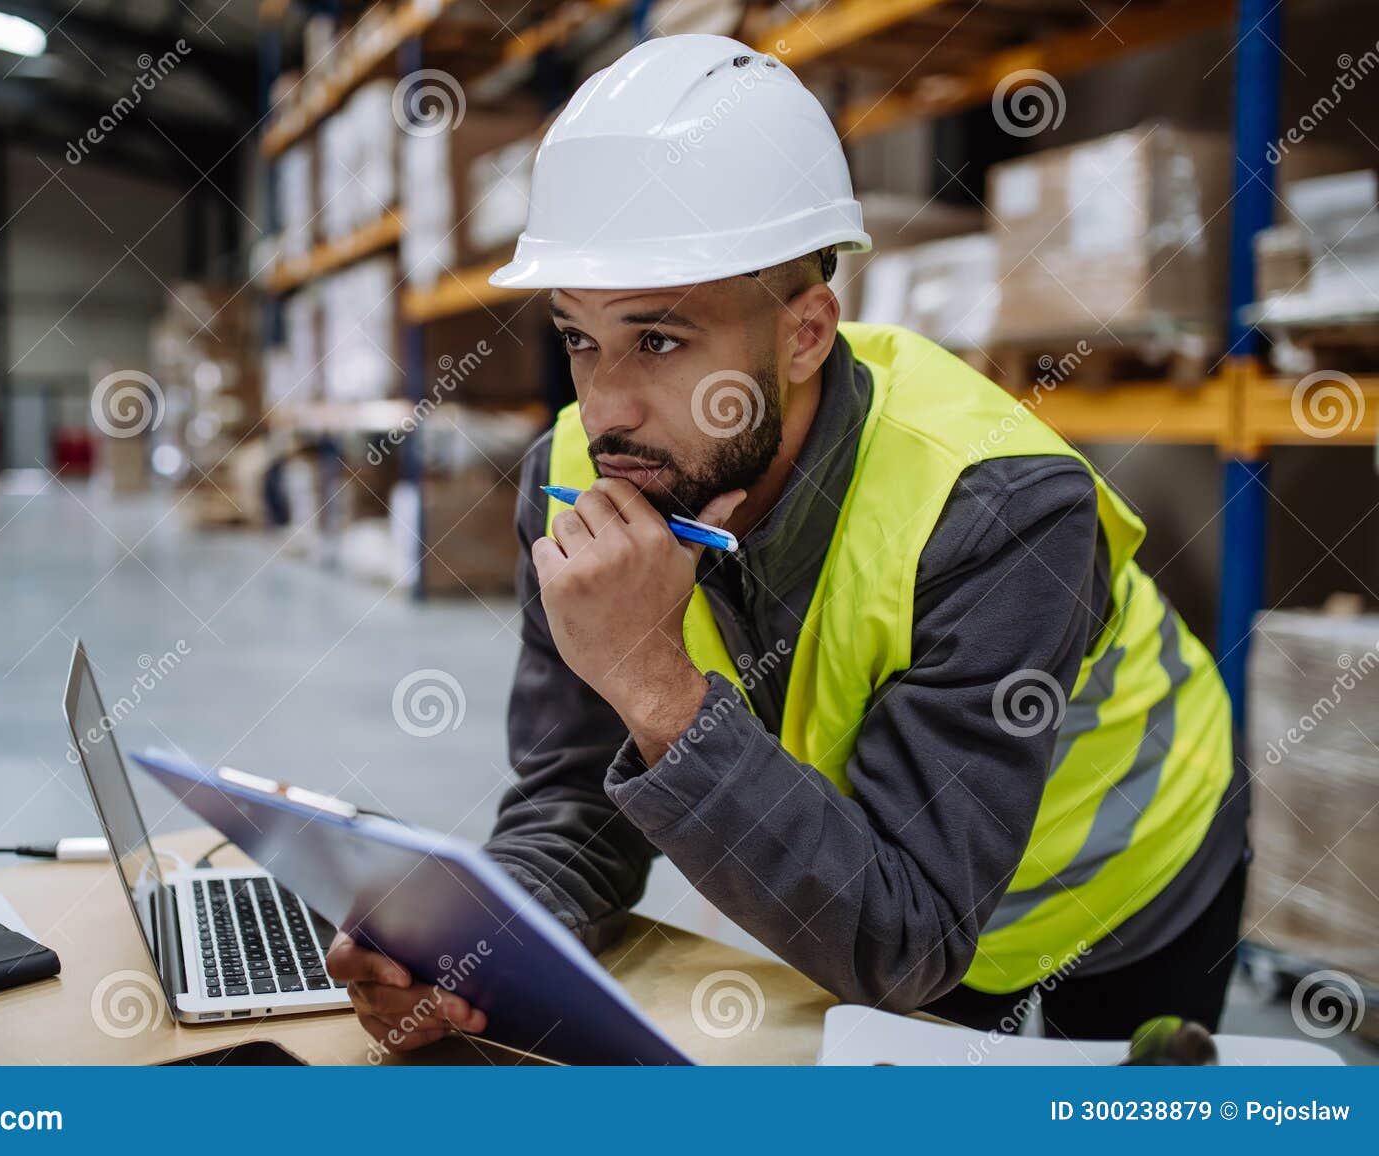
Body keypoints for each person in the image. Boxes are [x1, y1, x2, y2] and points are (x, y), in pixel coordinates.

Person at [327, 33, 1247, 1051]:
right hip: (892, 893)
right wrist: (478, 955)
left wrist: (651, 678)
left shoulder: (996, 510)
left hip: (1124, 877)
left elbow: (906, 937)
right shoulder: (573, 478)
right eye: (580, 339)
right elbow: (572, 804)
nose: (606, 407)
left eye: (660, 339)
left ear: (804, 332)